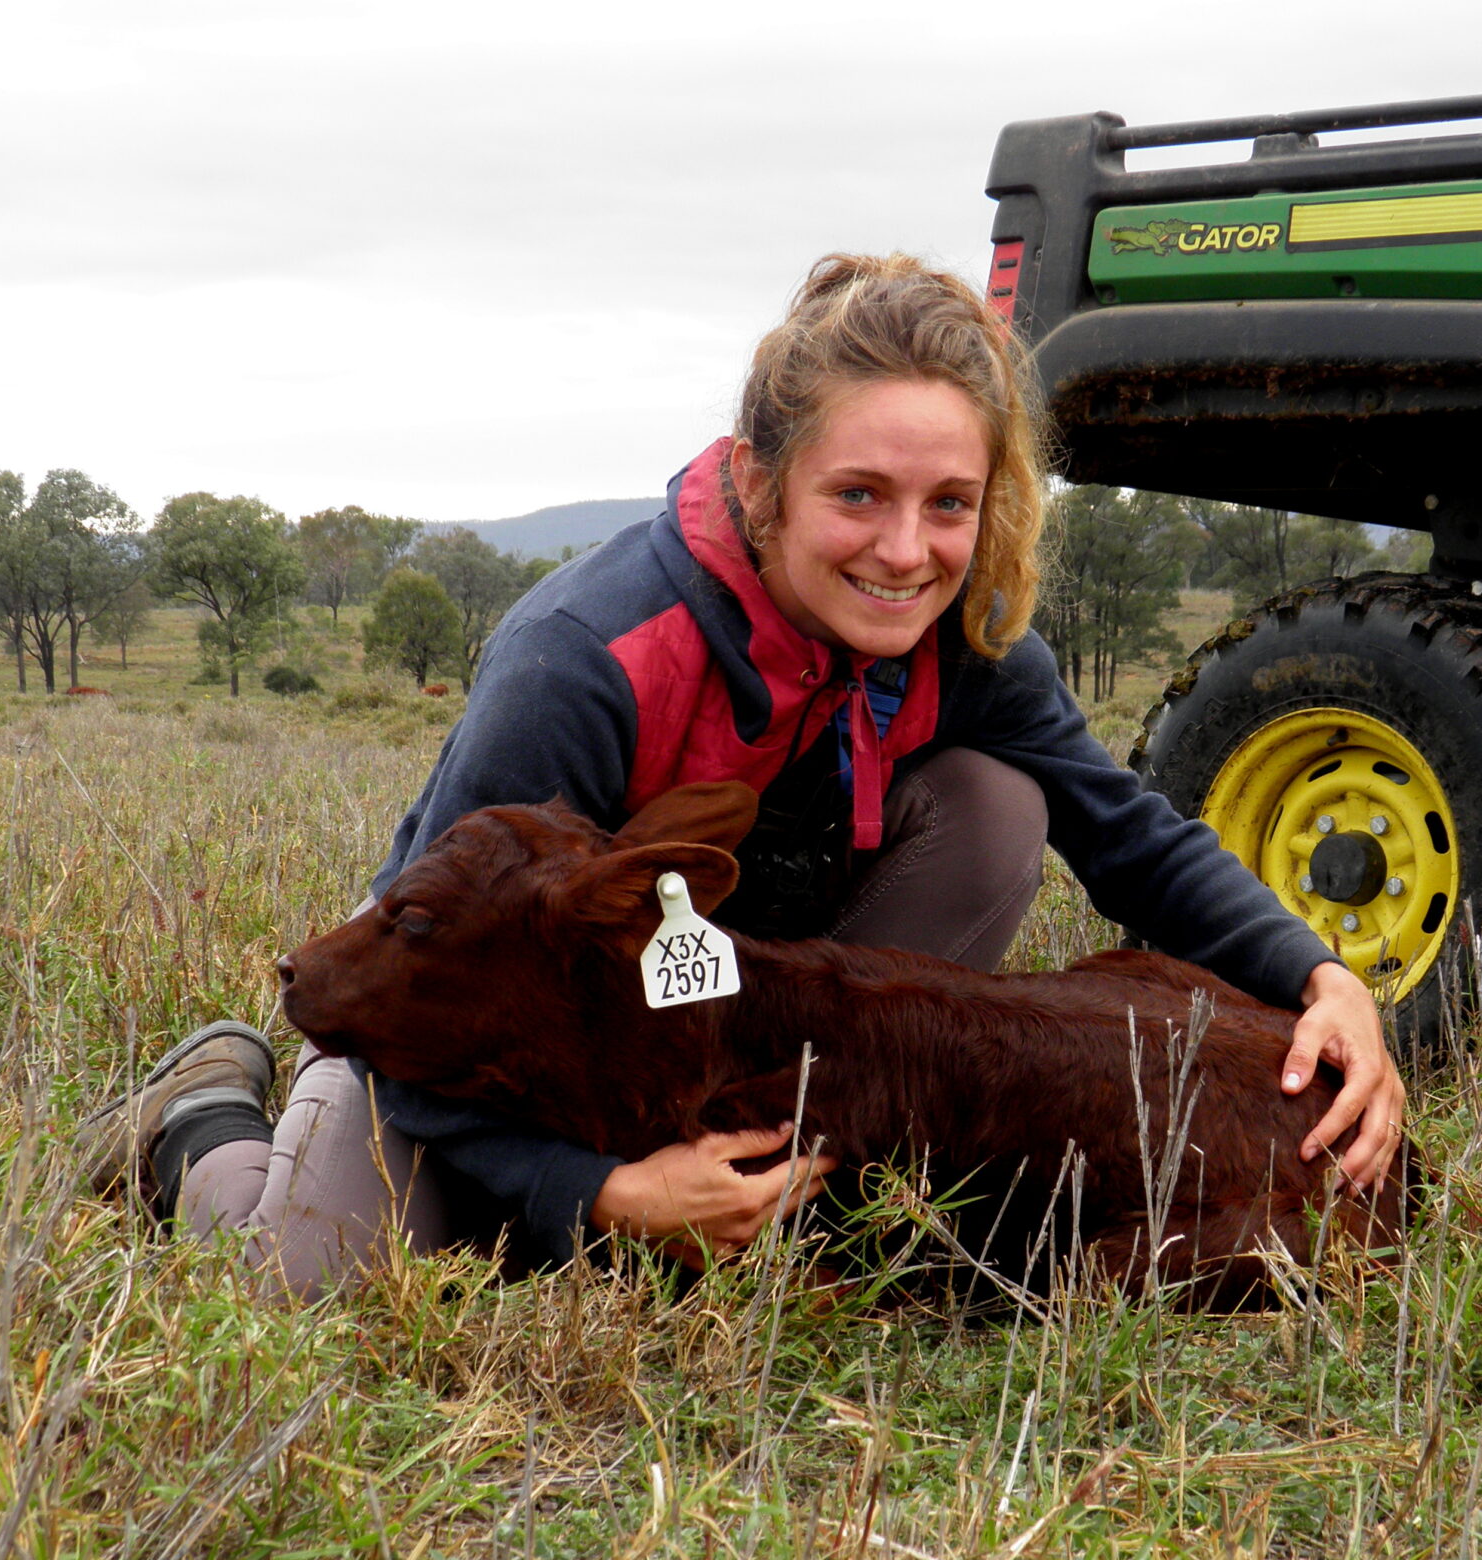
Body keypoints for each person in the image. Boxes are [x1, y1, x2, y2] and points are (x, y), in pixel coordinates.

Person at [76, 253, 1407, 1298]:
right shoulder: (585, 656)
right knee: (308, 1273)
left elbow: (1129, 835)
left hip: (768, 1005)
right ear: (764, 484)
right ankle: (199, 1119)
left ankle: (800, 1169)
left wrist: (1322, 977)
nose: (906, 549)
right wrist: (598, 1190)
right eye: (859, 495)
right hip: (512, 1039)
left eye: (950, 502)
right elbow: (425, 954)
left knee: (1004, 804)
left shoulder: (974, 635)